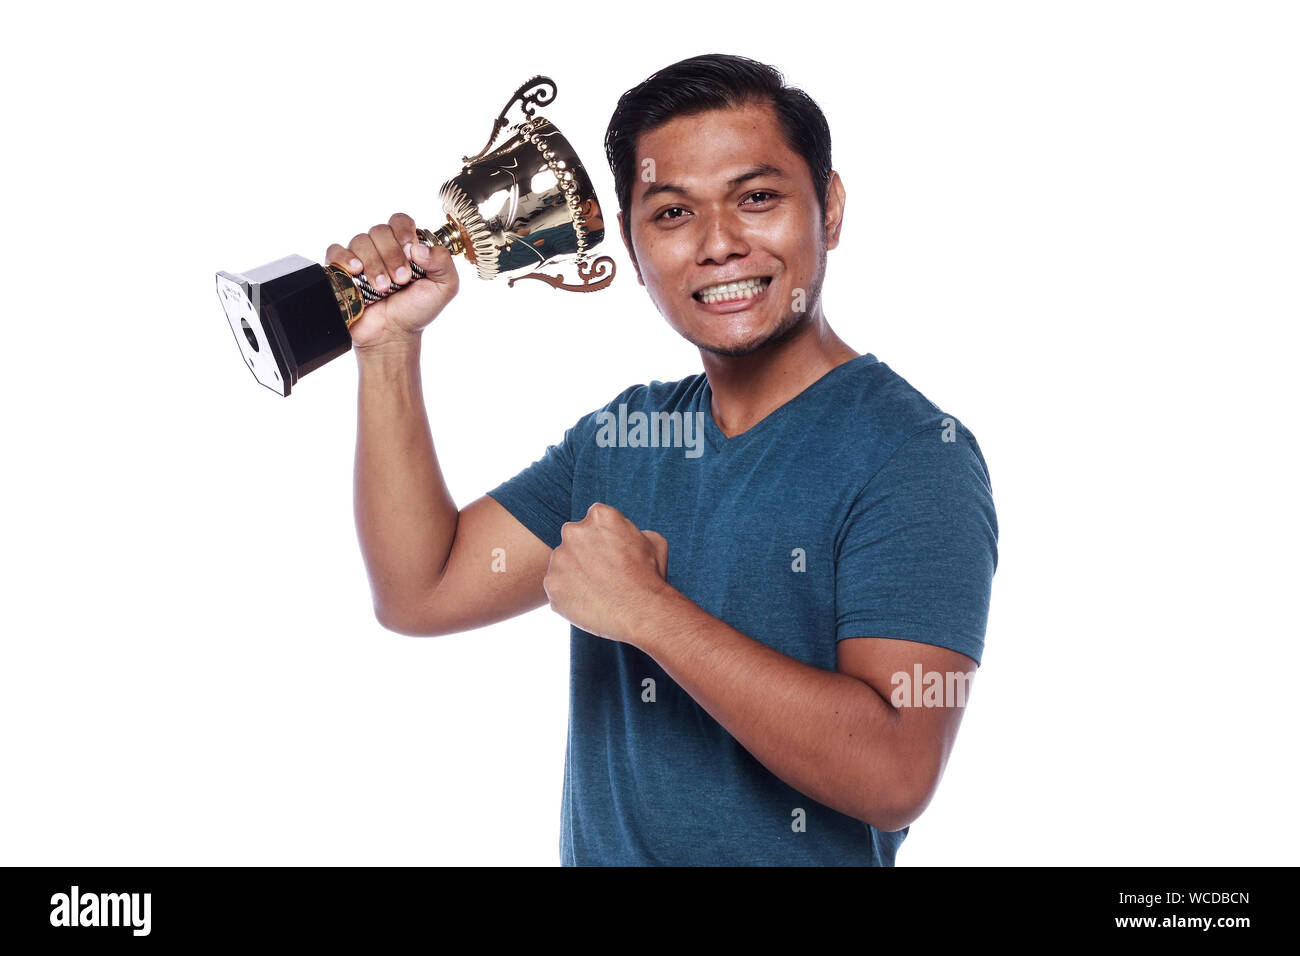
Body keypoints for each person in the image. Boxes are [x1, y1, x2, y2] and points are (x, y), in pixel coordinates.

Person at [327, 53, 999, 866]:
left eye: (757, 199)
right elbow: (419, 590)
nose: (719, 245)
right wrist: (391, 350)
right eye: (673, 213)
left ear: (830, 210)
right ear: (634, 249)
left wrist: (647, 612)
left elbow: (894, 772)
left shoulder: (913, 457)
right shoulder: (623, 438)